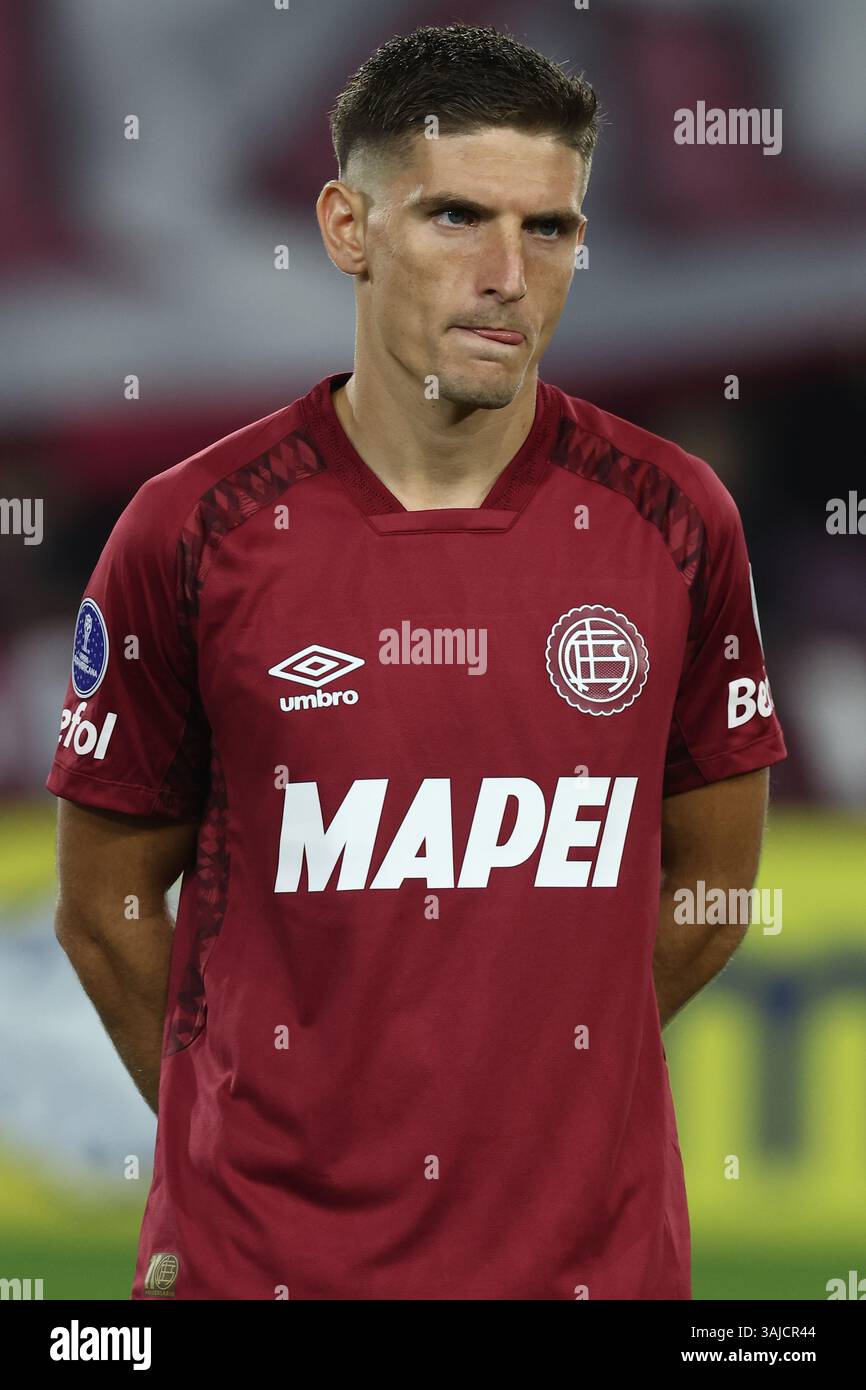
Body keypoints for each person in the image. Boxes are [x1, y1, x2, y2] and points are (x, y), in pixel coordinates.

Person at [47, 23, 786, 1300]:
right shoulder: (192, 528)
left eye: (549, 228)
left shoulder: (675, 519)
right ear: (346, 227)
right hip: (258, 1268)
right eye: (455, 217)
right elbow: (106, 911)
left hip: (587, 1272)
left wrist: (529, 1086)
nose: (508, 273)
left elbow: (715, 884)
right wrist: (240, 1131)